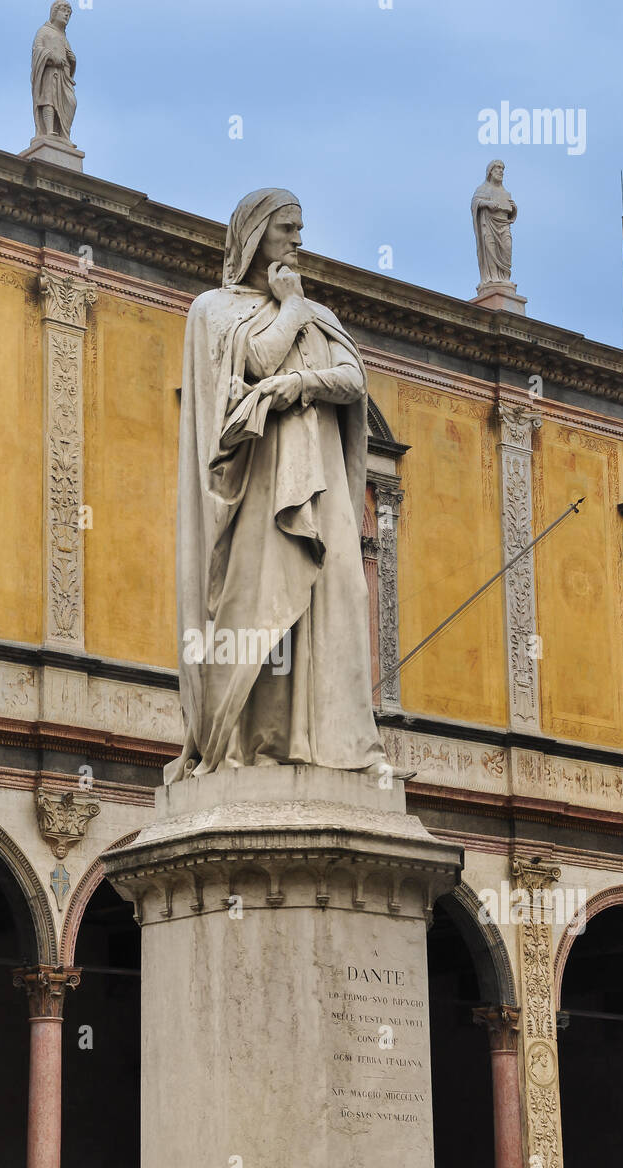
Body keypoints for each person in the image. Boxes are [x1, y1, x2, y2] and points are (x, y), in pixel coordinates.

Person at [166, 188, 385, 781]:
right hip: (259, 494)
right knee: (263, 610)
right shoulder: (213, 310)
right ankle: (255, 744)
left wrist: (298, 386)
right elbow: (257, 361)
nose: (297, 239)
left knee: (338, 593)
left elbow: (353, 380)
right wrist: (289, 309)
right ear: (256, 233)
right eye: (287, 228)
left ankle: (327, 742)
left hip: (322, 488)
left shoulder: (319, 315)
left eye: (300, 228)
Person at [31, 3, 77, 142]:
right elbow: (37, 49)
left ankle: (64, 135)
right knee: (48, 99)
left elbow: (68, 57)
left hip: (64, 76)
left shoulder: (63, 37)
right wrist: (51, 57)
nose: (67, 15)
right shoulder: (44, 31)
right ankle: (49, 131)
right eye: (64, 11)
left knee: (70, 102)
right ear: (54, 13)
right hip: (50, 72)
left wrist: (72, 60)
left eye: (69, 13)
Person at [471, 160, 517, 286]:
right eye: (498, 168)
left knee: (507, 248)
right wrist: (487, 203)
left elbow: (511, 215)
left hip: (504, 225)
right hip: (489, 224)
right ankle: (493, 278)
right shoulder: (483, 189)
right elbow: (475, 203)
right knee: (490, 251)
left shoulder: (506, 192)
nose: (501, 171)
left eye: (502, 169)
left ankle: (505, 278)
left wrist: (514, 209)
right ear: (490, 171)